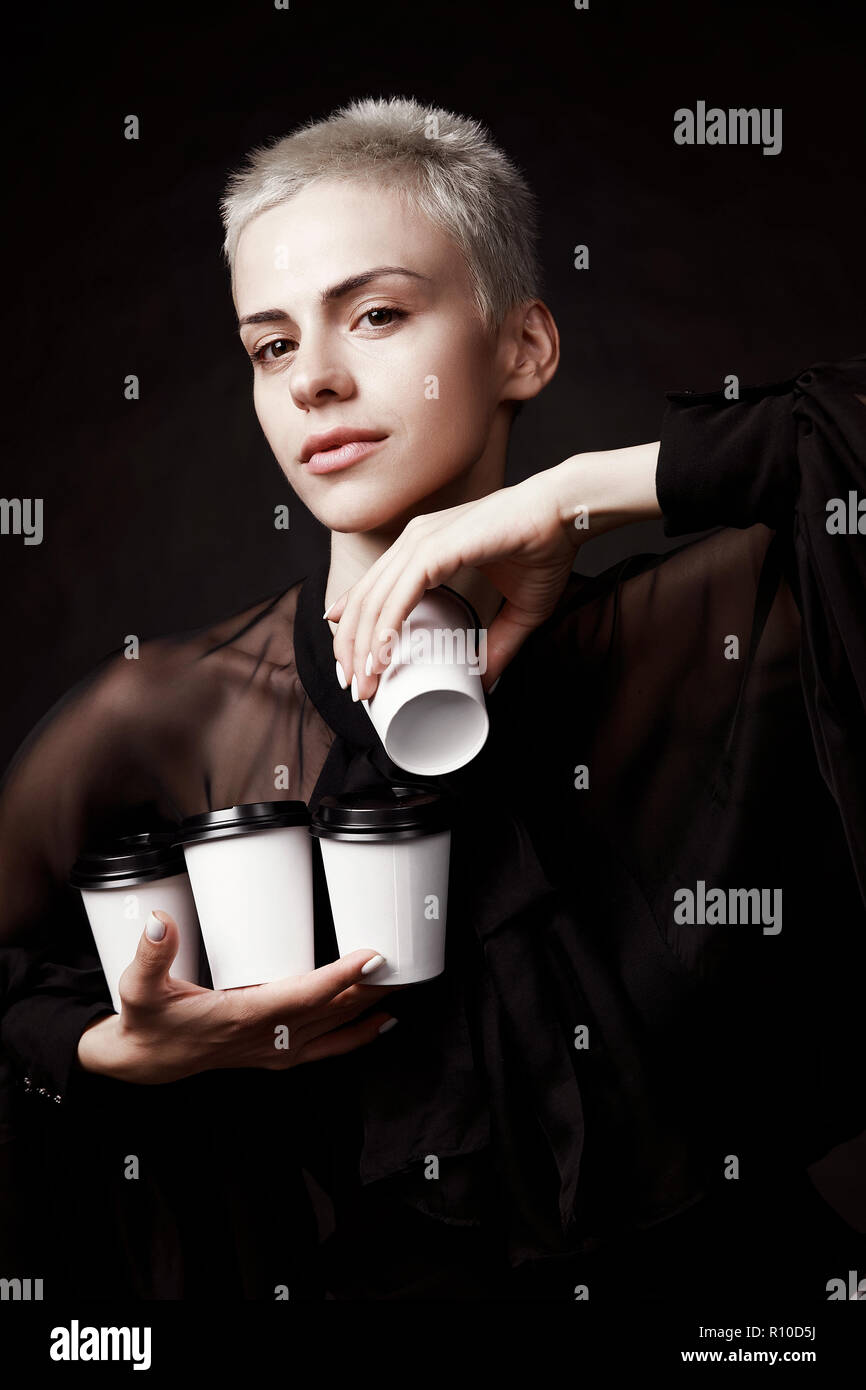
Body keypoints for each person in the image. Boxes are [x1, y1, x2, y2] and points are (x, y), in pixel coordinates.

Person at [1, 95, 864, 1301]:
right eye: (271, 344)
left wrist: (573, 493)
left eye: (375, 313)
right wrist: (107, 1046)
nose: (314, 381)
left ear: (523, 347)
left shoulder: (704, 633)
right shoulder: (168, 713)